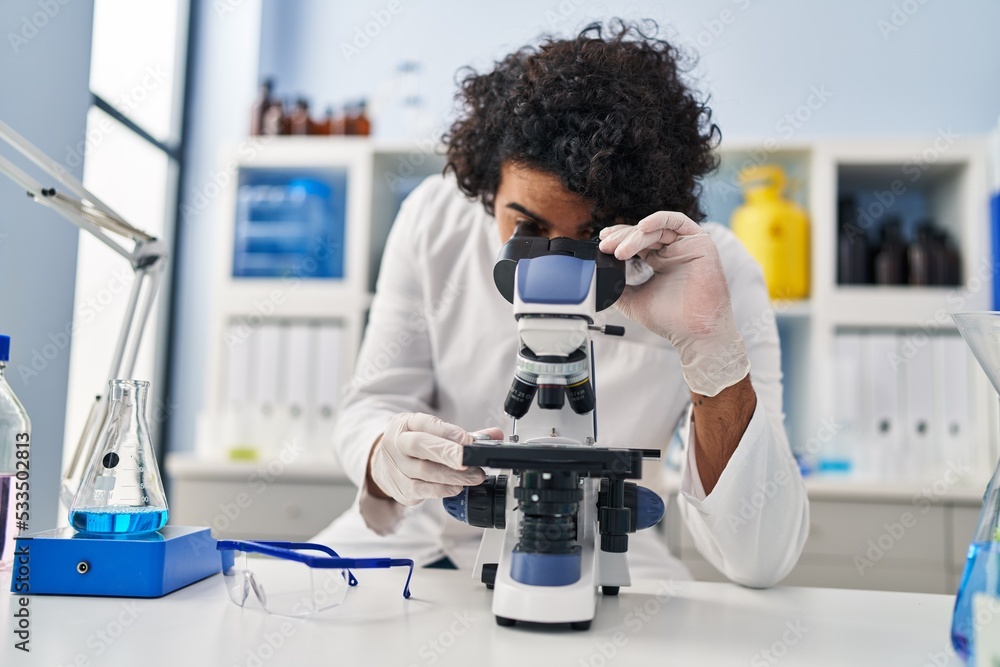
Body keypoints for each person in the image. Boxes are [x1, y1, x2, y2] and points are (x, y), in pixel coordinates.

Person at [313, 20, 808, 586]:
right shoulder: (435, 219)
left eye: (596, 235)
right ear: (488, 188)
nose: (557, 264)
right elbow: (372, 403)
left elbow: (762, 556)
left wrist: (707, 346)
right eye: (526, 226)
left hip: (602, 540)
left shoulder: (712, 271)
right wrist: (389, 456)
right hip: (423, 532)